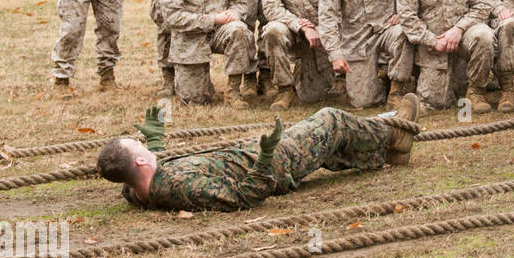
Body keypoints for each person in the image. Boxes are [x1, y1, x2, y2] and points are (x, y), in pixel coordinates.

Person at [98, 100, 420, 212]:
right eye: (139, 145)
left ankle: (387, 156)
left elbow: (151, 170)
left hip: (254, 155)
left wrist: (154, 140)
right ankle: (395, 135)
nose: (144, 145)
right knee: (330, 121)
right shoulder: (183, 186)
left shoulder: (134, 187)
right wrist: (266, 157)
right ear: (140, 162)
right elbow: (242, 198)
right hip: (274, 165)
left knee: (326, 148)